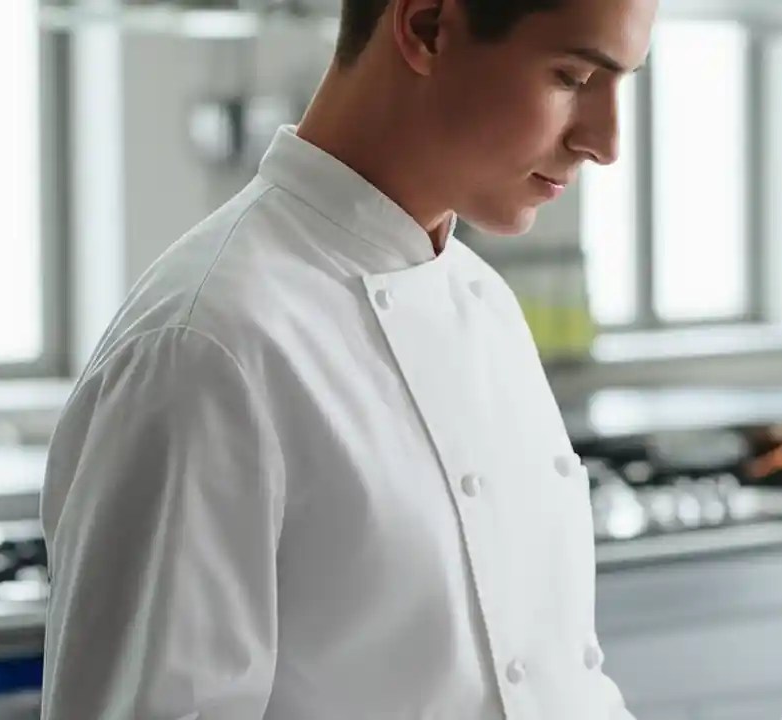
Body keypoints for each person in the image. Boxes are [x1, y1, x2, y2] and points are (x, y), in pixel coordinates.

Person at [38, 0, 656, 716]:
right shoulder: (207, 345)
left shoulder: (485, 303)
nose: (607, 142)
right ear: (425, 28)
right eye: (574, 77)